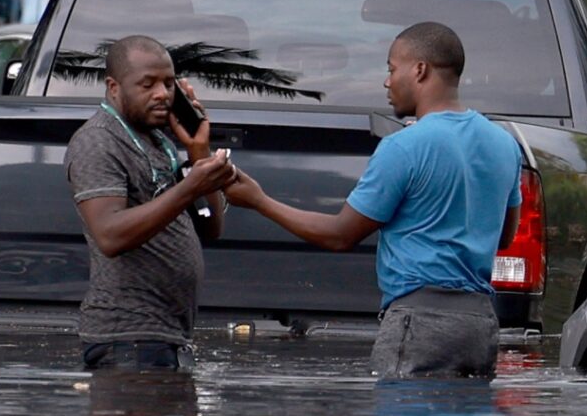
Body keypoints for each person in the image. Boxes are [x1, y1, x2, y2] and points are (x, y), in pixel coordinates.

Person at [225, 22, 523, 378]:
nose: (387, 81)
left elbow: (340, 234)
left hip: (419, 324)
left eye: (391, 69)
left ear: (420, 70)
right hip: (479, 324)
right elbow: (503, 237)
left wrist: (258, 201)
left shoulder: (404, 146)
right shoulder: (504, 144)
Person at [66, 34, 234, 370]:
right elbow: (110, 235)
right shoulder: (97, 142)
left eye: (169, 84)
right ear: (114, 87)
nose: (162, 94)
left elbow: (211, 227)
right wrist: (188, 188)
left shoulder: (160, 141)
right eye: (147, 84)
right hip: (127, 340)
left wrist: (198, 152)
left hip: (164, 339)